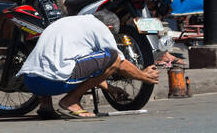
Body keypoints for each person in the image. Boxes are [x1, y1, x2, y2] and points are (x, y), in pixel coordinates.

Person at [18, 10, 159, 119]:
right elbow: (120, 63)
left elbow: (87, 71)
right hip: (54, 82)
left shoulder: (66, 22)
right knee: (113, 57)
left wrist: (109, 88)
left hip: (32, 82)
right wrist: (144, 76)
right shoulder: (100, 27)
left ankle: (46, 105)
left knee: (55, 59)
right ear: (109, 27)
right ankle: (71, 101)